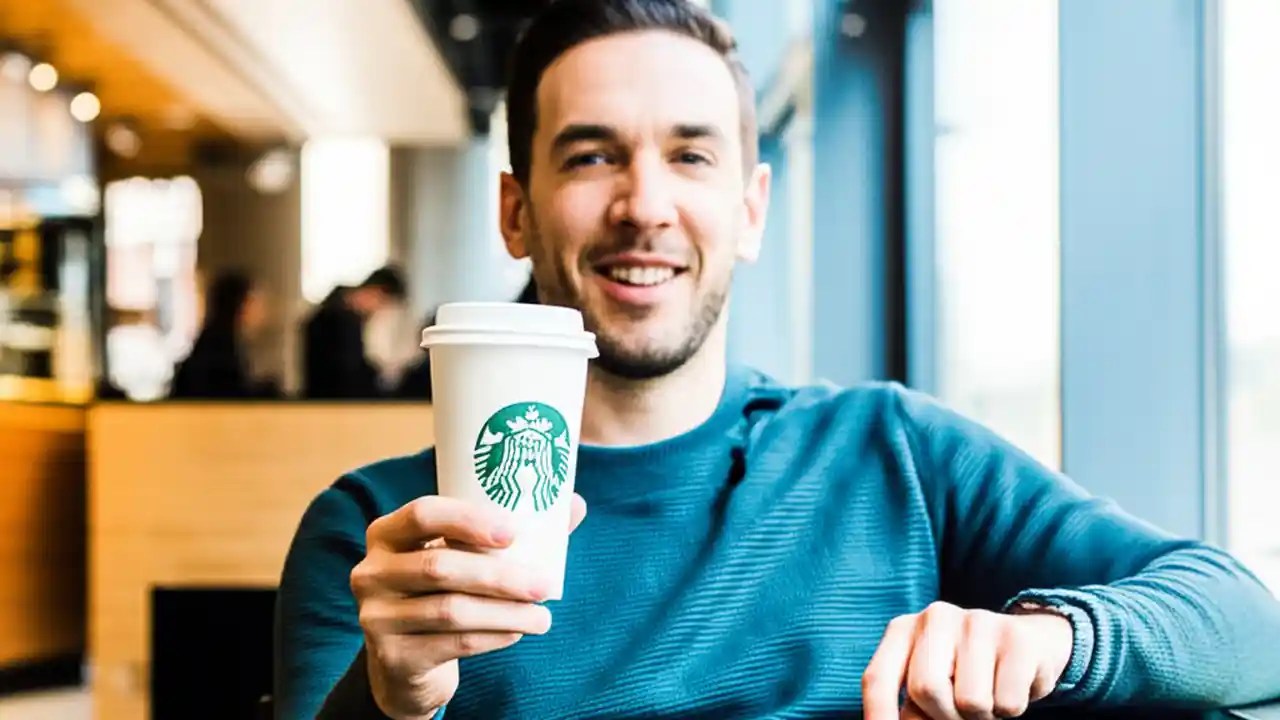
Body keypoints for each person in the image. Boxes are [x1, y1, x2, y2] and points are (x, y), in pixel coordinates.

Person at [275, 1, 1280, 718]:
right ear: (514, 210)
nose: (644, 205)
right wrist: (393, 698)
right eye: (591, 155)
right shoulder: (383, 538)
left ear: (750, 209)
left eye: (691, 155)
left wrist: (1049, 637)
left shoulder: (893, 451)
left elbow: (1246, 622)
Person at [302, 266, 407, 399]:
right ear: (377, 291)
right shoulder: (339, 319)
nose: (378, 311)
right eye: (383, 303)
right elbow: (349, 373)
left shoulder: (332, 312)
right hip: (336, 403)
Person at [170, 271, 272, 399]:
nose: (260, 314)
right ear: (240, 305)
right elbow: (229, 395)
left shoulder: (222, 343)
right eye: (254, 304)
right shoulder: (218, 349)